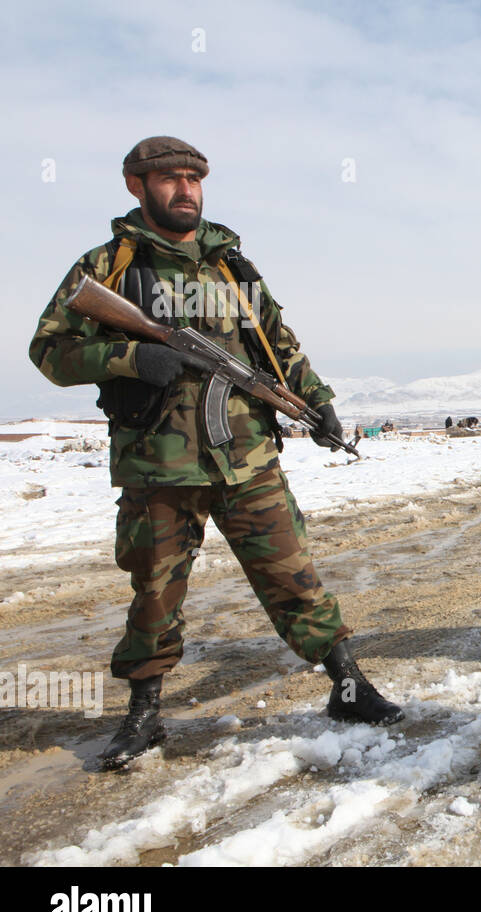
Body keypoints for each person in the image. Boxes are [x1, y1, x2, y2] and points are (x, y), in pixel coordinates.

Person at [29, 137, 405, 770]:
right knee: (154, 592)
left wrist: (317, 401)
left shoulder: (234, 268)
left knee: (295, 578)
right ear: (135, 186)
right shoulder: (108, 267)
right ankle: (144, 715)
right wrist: (129, 355)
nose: (185, 190)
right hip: (158, 466)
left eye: (193, 179)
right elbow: (49, 350)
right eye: (170, 179)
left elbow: (278, 347)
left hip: (249, 459)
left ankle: (349, 687)